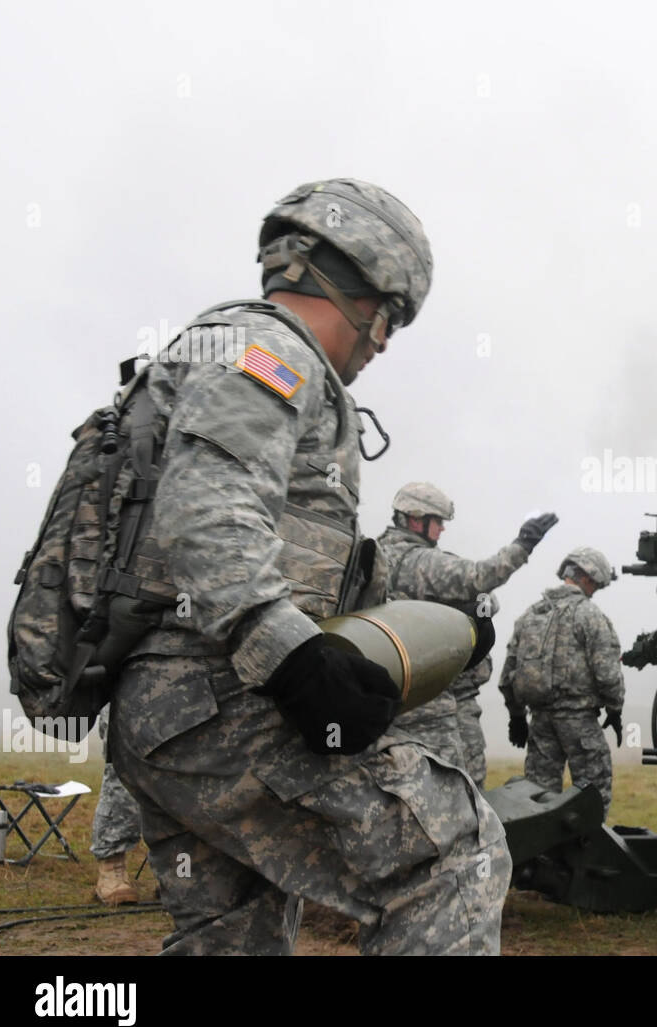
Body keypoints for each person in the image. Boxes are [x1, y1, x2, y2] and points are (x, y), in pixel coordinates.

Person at [107, 177, 510, 955]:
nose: (383, 342)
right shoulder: (271, 353)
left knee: (234, 934)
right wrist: (292, 661)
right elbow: (210, 506)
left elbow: (289, 549)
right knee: (451, 853)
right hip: (221, 697)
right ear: (360, 292)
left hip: (162, 718)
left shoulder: (204, 354)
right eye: (389, 318)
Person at [377, 481, 556, 775]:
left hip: (391, 699)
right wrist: (523, 545)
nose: (442, 530)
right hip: (440, 702)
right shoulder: (424, 562)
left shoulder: (375, 555)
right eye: (437, 522)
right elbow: (479, 577)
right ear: (415, 518)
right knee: (462, 788)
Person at [499, 547, 624, 817]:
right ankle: (588, 852)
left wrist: (517, 717)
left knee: (537, 799)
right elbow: (607, 673)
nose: (595, 591)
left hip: (540, 722)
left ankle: (541, 856)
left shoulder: (531, 615)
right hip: (580, 723)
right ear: (588, 578)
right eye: (597, 586)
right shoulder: (590, 615)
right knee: (592, 795)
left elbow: (509, 672)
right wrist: (615, 708)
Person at [91, 707, 143, 905]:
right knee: (123, 778)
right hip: (129, 693)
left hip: (186, 693)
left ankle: (181, 871)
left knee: (180, 786)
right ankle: (111, 869)